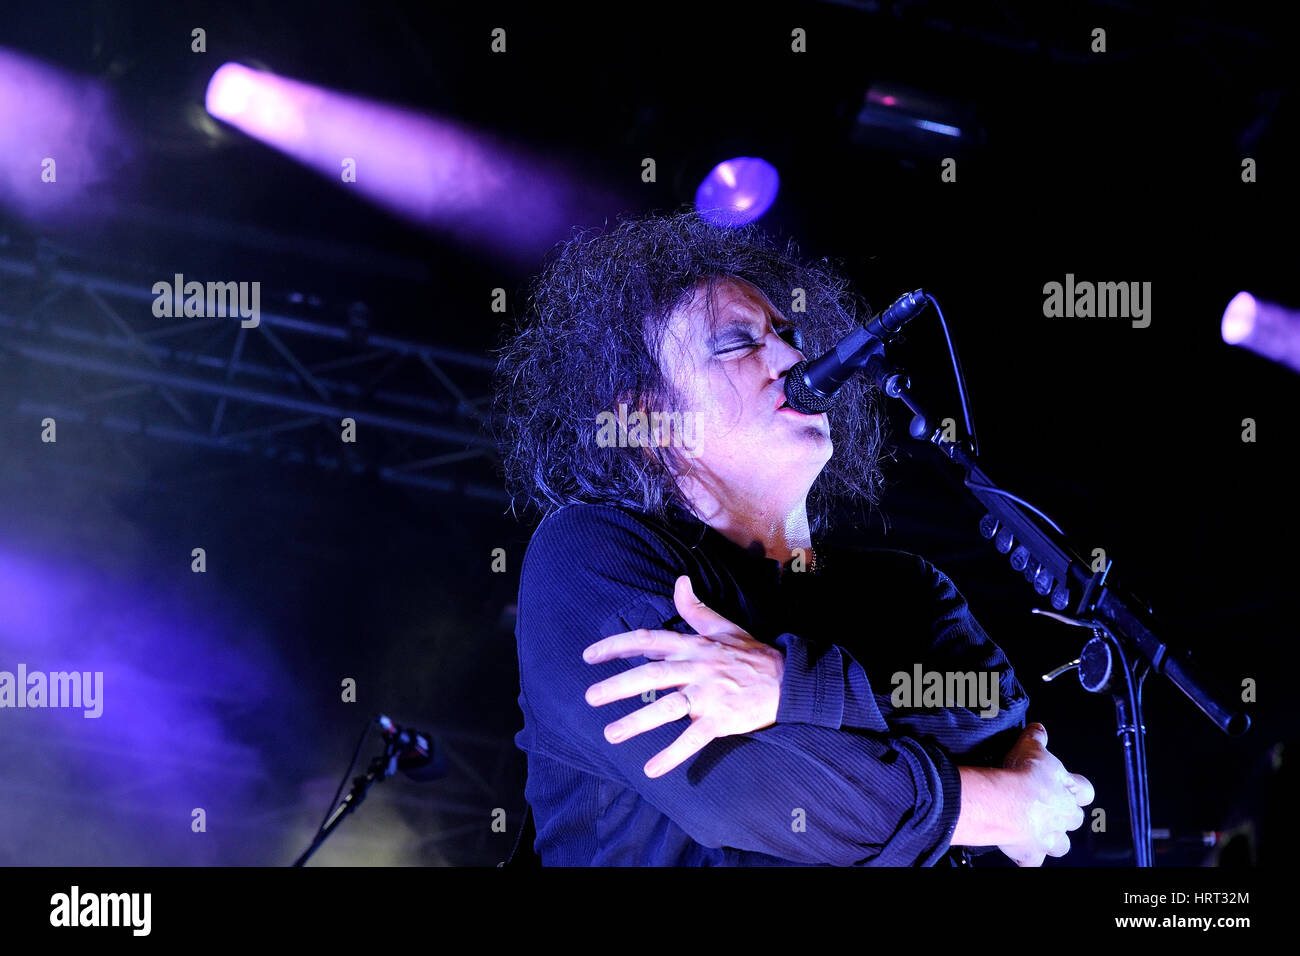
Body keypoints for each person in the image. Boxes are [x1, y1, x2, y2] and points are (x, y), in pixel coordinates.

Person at [491, 209, 1093, 866]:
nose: (791, 355)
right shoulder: (590, 555)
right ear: (650, 417)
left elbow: (988, 713)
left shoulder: (906, 588)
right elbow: (745, 794)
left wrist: (790, 688)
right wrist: (1003, 805)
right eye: (737, 343)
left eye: (787, 332)